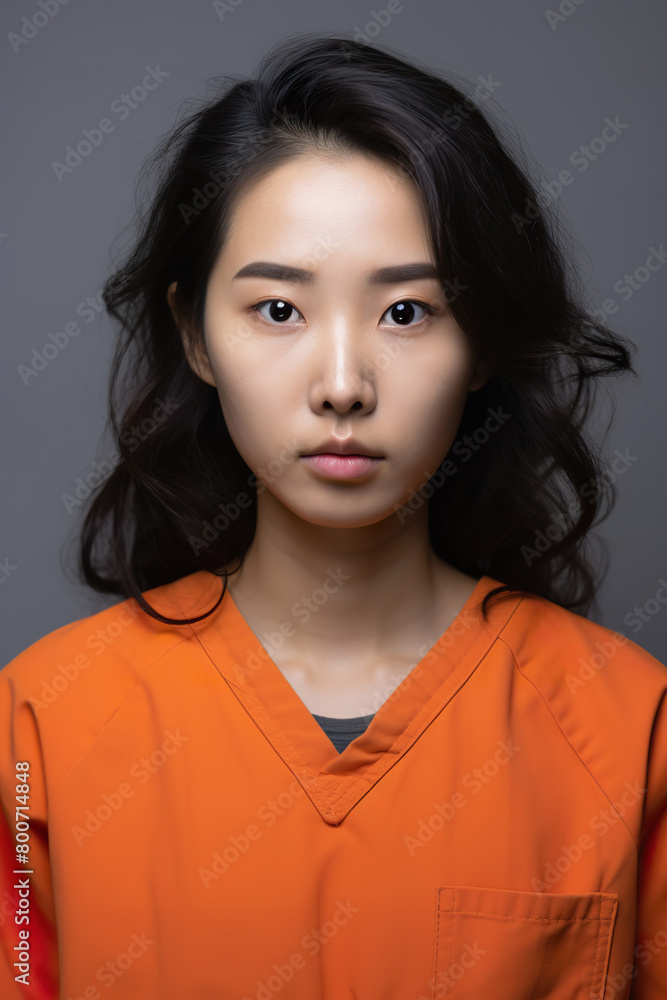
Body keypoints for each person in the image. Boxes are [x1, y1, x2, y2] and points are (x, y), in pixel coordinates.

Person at [1, 31, 665, 1000]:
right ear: (194, 335)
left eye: (406, 312)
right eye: (279, 310)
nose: (343, 384)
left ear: (479, 344)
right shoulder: (42, 729)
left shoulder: (626, 723)